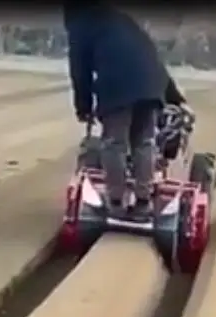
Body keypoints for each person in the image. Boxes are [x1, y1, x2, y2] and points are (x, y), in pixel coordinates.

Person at [64, 3, 171, 221]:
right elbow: (153, 62)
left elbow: (79, 70)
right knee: (144, 142)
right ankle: (143, 203)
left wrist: (83, 107)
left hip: (118, 86)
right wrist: (175, 98)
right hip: (151, 85)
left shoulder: (80, 24)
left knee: (114, 143)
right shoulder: (125, 21)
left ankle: (115, 202)